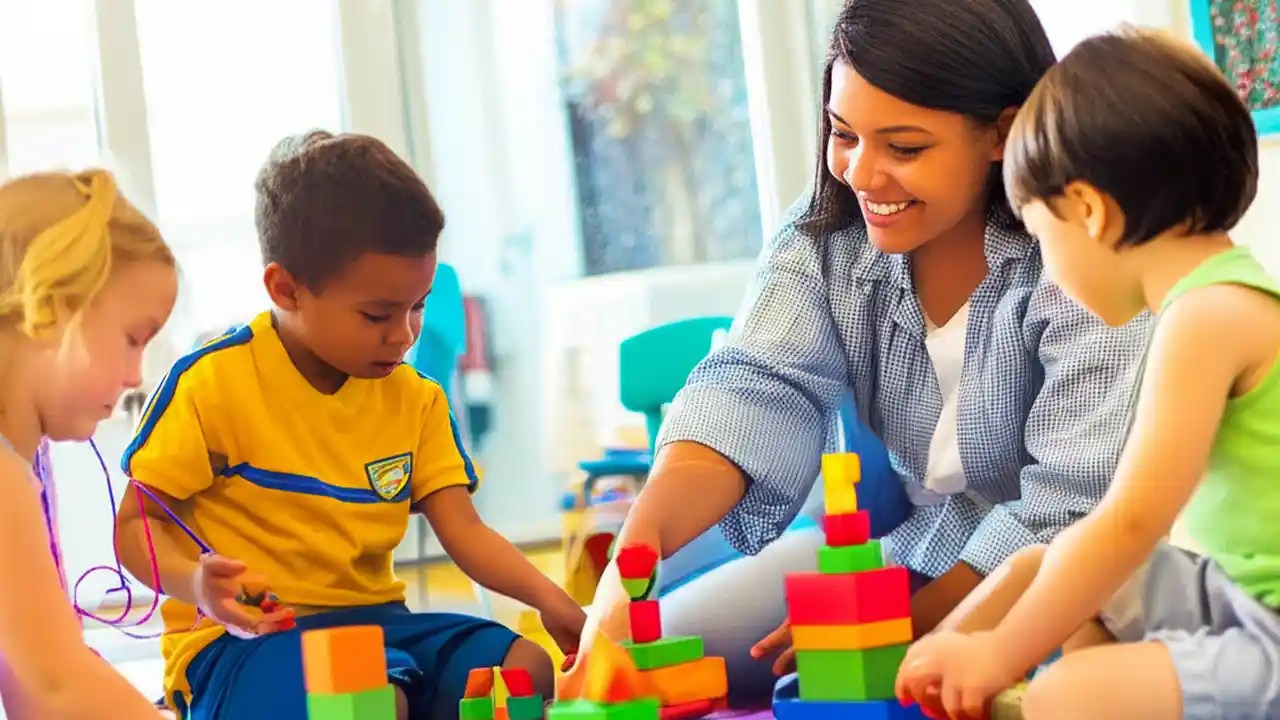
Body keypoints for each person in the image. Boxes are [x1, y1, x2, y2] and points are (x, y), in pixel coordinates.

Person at [570, 0, 1152, 702]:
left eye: (904, 147)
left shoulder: (1079, 252)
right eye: (842, 134)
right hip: (909, 551)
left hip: (1074, 574)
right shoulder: (826, 240)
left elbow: (1073, 504)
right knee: (648, 663)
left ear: (1002, 132)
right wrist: (635, 552)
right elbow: (753, 389)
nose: (861, 173)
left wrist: (897, 629)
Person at [113, 132, 586, 720]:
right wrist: (196, 583)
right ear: (285, 289)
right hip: (243, 645)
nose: (405, 334)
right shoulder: (212, 385)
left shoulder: (415, 400)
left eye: (417, 306)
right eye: (377, 315)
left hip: (380, 628)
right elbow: (139, 525)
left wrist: (552, 601)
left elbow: (464, 531)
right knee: (372, 701)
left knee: (522, 669)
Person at [896, 27, 1275, 720]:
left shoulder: (1208, 317)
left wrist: (1003, 655)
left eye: (1041, 237)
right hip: (1234, 594)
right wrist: (966, 647)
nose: (1046, 264)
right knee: (1056, 564)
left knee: (1064, 692)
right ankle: (926, 681)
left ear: (1089, 212)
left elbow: (1132, 519)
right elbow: (1098, 542)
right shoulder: (1213, 300)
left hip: (1270, 628)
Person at [0, 170, 178, 718]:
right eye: (132, 340)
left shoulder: (26, 465)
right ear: (53, 307)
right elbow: (55, 687)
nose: (134, 376)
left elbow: (36, 689)